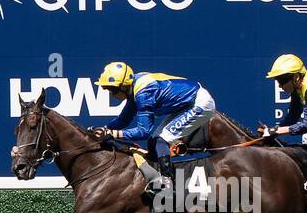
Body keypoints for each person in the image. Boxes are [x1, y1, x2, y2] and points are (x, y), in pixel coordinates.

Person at [92, 62, 217, 193]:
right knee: (153, 142)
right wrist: (103, 129)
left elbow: (144, 132)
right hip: (187, 103)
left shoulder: (143, 93)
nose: (111, 94)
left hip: (200, 104)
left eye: (113, 89)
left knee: (160, 141)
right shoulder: (134, 87)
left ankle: (168, 185)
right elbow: (123, 120)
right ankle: (158, 177)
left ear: (124, 86)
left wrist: (112, 134)